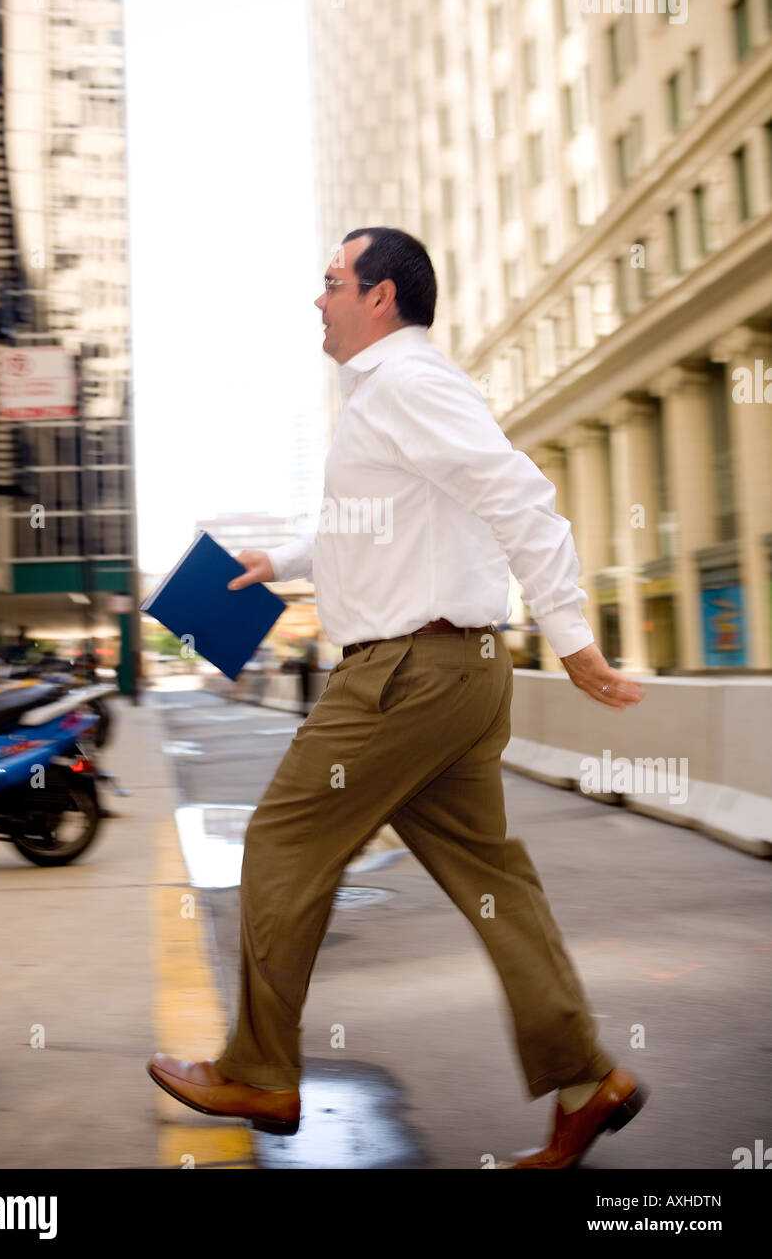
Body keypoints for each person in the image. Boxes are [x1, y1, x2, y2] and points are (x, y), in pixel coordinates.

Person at [147, 228, 647, 1165]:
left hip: (402, 676)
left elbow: (521, 498)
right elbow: (377, 520)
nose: (318, 299)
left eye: (332, 282)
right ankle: (586, 1080)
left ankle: (260, 1067)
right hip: (452, 674)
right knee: (493, 880)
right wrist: (283, 561)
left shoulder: (410, 385)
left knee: (285, 840)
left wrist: (575, 640)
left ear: (381, 298)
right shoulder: (391, 396)